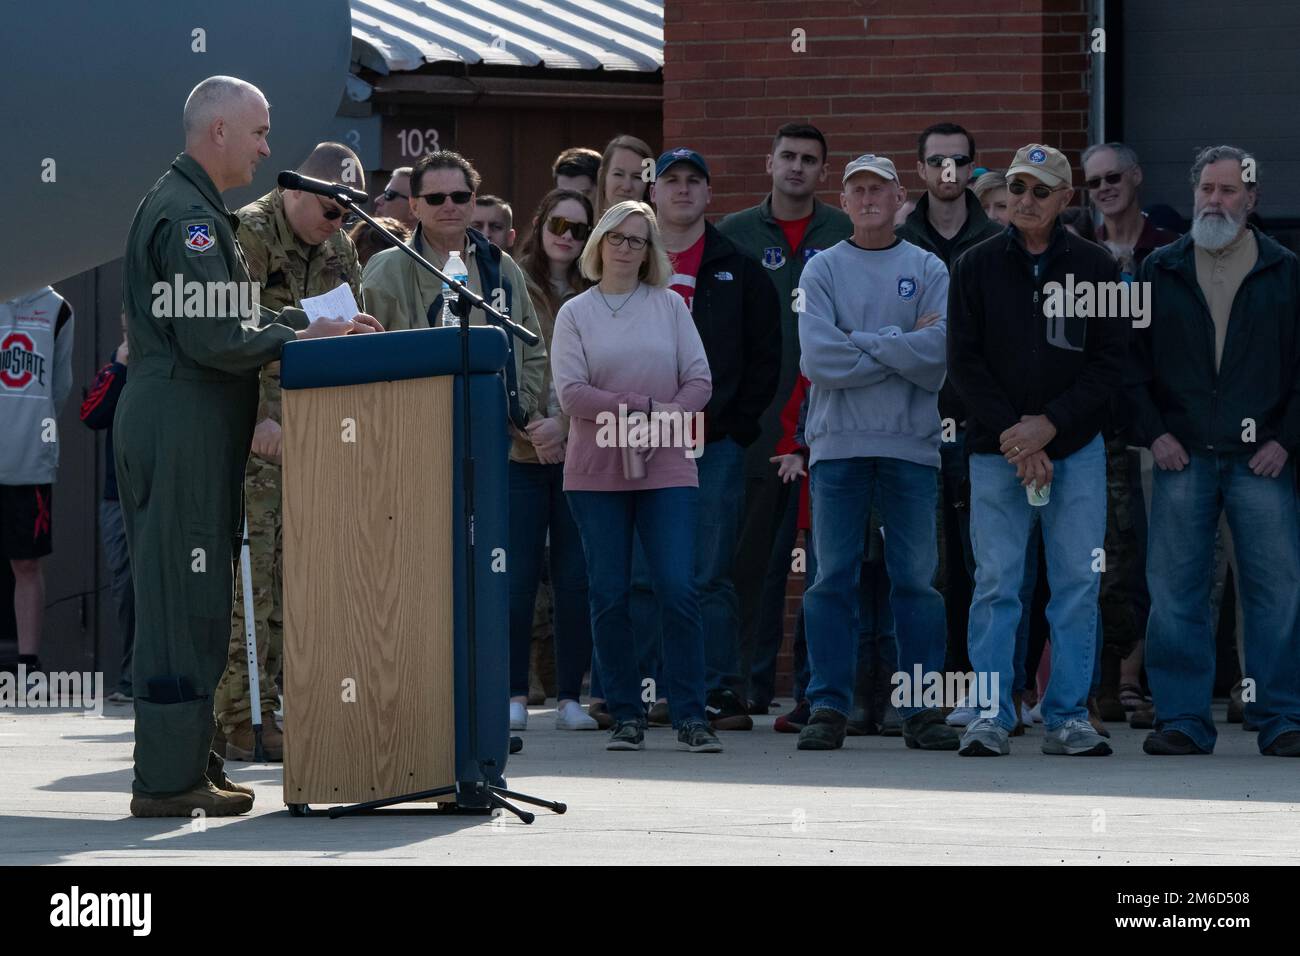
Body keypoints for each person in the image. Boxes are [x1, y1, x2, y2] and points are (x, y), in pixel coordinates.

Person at [117, 75, 379, 818]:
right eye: (260, 133)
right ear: (220, 132)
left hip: (193, 426)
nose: (270, 148)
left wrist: (307, 322)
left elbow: (233, 312)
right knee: (179, 600)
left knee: (199, 599)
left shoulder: (198, 209)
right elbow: (214, 334)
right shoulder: (191, 220)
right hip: (180, 426)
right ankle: (166, 779)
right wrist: (306, 331)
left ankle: (190, 764)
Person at [948, 144, 1126, 758]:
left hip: (1075, 451)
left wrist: (1048, 427)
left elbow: (1109, 365)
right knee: (997, 584)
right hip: (995, 451)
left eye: (1040, 191)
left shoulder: (1098, 268)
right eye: (1018, 188)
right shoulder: (972, 266)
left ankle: (1068, 715)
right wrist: (1016, 436)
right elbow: (963, 364)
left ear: (1064, 200)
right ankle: (991, 715)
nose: (1025, 200)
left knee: (1078, 582)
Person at [1130, 144, 1300, 758]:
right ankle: (1182, 719)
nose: (1215, 201)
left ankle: (1281, 716)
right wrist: (1155, 432)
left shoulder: (1286, 270)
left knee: (1275, 590)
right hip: (1181, 456)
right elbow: (1128, 364)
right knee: (1176, 591)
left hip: (1263, 460)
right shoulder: (1158, 269)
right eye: (1207, 189)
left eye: (1230, 191)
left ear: (1252, 199)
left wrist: (1284, 439)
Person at [549, 200, 721, 754]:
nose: (626, 248)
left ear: (650, 252)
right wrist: (638, 406)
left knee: (677, 587)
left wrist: (664, 416)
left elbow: (699, 381)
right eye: (617, 238)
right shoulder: (575, 312)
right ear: (598, 244)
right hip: (597, 470)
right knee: (609, 594)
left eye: (638, 240)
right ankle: (625, 713)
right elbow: (571, 394)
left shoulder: (670, 306)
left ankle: (691, 713)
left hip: (666, 463)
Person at [214, 142, 366, 763]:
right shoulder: (245, 235)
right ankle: (240, 717)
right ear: (298, 191)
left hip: (321, 436)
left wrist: (363, 333)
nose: (342, 224)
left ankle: (286, 704)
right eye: (334, 210)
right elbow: (225, 337)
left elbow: (346, 322)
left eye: (351, 213)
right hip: (255, 438)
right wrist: (257, 419)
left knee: (304, 579)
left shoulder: (340, 247)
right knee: (254, 583)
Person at [795, 153, 953, 751]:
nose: (867, 199)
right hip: (837, 448)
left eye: (878, 191)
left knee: (916, 582)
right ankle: (828, 707)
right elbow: (818, 361)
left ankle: (919, 711)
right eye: (857, 190)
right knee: (830, 579)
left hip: (911, 449)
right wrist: (896, 344)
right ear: (845, 199)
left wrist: (859, 342)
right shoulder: (821, 271)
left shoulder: (929, 268)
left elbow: (937, 354)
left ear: (898, 201)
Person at [642, 147, 780, 731]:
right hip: (636, 438)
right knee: (644, 569)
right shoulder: (628, 262)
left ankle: (720, 689)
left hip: (711, 443)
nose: (681, 190)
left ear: (708, 194)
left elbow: (765, 357)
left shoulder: (738, 266)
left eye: (693, 181)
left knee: (709, 571)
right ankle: (648, 687)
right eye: (670, 180)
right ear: (652, 193)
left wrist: (733, 426)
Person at [717, 122, 851, 717]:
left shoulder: (846, 232)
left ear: (824, 171)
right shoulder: (736, 234)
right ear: (769, 162)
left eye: (810, 160)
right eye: (788, 156)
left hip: (837, 416)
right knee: (754, 562)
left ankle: (818, 694)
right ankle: (746, 684)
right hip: (759, 419)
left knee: (831, 562)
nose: (797, 167)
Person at [896, 122, 1003, 681]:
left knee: (980, 564)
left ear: (971, 169)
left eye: (958, 161)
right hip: (909, 423)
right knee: (921, 566)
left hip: (978, 424)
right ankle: (922, 685)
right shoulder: (896, 240)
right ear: (919, 169)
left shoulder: (994, 242)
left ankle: (975, 682)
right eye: (936, 160)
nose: (947, 171)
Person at [1083, 141, 1181, 729]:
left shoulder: (1169, 253)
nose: (1104, 189)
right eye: (1092, 182)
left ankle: (1131, 682)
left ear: (1137, 177)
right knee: (1096, 558)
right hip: (1087, 428)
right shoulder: (1077, 251)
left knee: (1147, 558)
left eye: (1113, 177)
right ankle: (1098, 685)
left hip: (1151, 430)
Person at [361, 150, 546, 437]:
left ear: (472, 202)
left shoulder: (501, 267)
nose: (449, 206)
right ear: (414, 206)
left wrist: (516, 407)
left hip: (489, 428)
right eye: (436, 198)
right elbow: (365, 354)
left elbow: (532, 348)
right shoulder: (386, 268)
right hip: (412, 431)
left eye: (459, 196)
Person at [509, 187, 597, 731]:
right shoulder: (512, 281)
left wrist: (566, 425)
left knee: (576, 576)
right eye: (557, 225)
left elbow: (607, 371)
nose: (566, 237)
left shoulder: (600, 289)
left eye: (579, 229)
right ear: (540, 226)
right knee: (515, 576)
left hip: (583, 452)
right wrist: (530, 426)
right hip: (519, 450)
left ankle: (570, 696)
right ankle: (513, 692)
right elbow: (499, 360)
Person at [0, 285, 73, 695]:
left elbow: (59, 387)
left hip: (30, 459)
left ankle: (28, 668)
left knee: (26, 563)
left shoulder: (58, 309)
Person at [80, 314, 133, 704]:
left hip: (161, 495)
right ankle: (131, 678)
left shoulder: (172, 359)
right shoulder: (117, 365)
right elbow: (91, 415)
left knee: (159, 587)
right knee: (126, 587)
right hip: (118, 497)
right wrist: (119, 366)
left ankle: (152, 678)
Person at [595, 134, 654, 218]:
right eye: (618, 174)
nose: (627, 187)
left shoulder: (656, 231)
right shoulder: (583, 227)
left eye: (637, 177)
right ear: (602, 176)